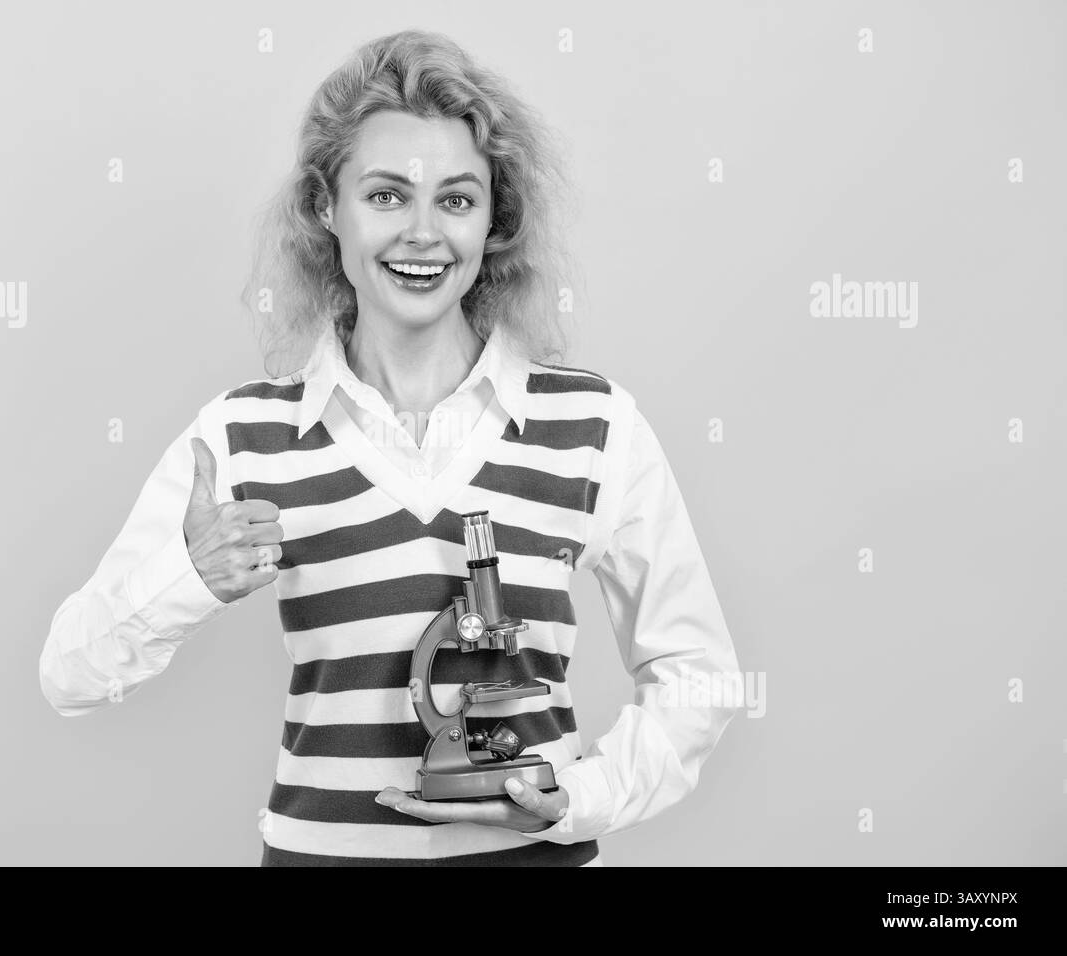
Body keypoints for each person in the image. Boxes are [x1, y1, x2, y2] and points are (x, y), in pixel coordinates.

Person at [39, 29, 742, 867]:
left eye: (455, 199)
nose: (421, 234)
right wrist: (189, 578)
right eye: (384, 196)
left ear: (495, 221)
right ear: (324, 208)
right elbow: (68, 675)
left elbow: (699, 674)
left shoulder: (595, 427)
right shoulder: (240, 438)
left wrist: (577, 801)